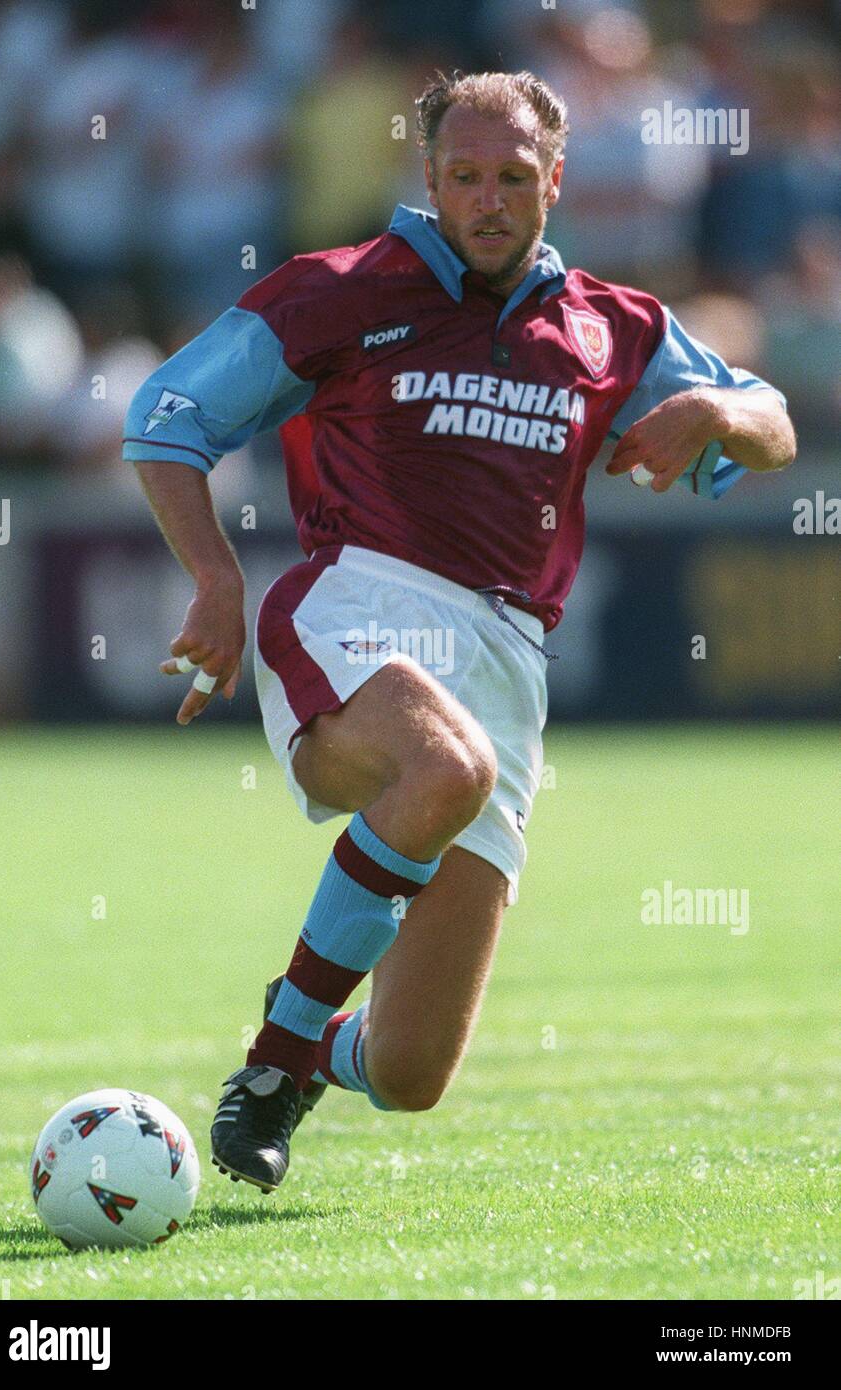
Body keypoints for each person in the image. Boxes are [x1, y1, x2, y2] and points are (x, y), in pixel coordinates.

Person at [123, 71, 795, 1192]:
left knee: (410, 1070)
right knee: (444, 768)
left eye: (514, 178)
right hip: (358, 607)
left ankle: (314, 1045)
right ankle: (279, 1057)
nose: (490, 199)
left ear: (556, 181)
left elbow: (771, 422)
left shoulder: (611, 328)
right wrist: (216, 579)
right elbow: (167, 416)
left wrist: (720, 408)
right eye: (466, 177)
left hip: (509, 662)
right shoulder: (337, 289)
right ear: (427, 180)